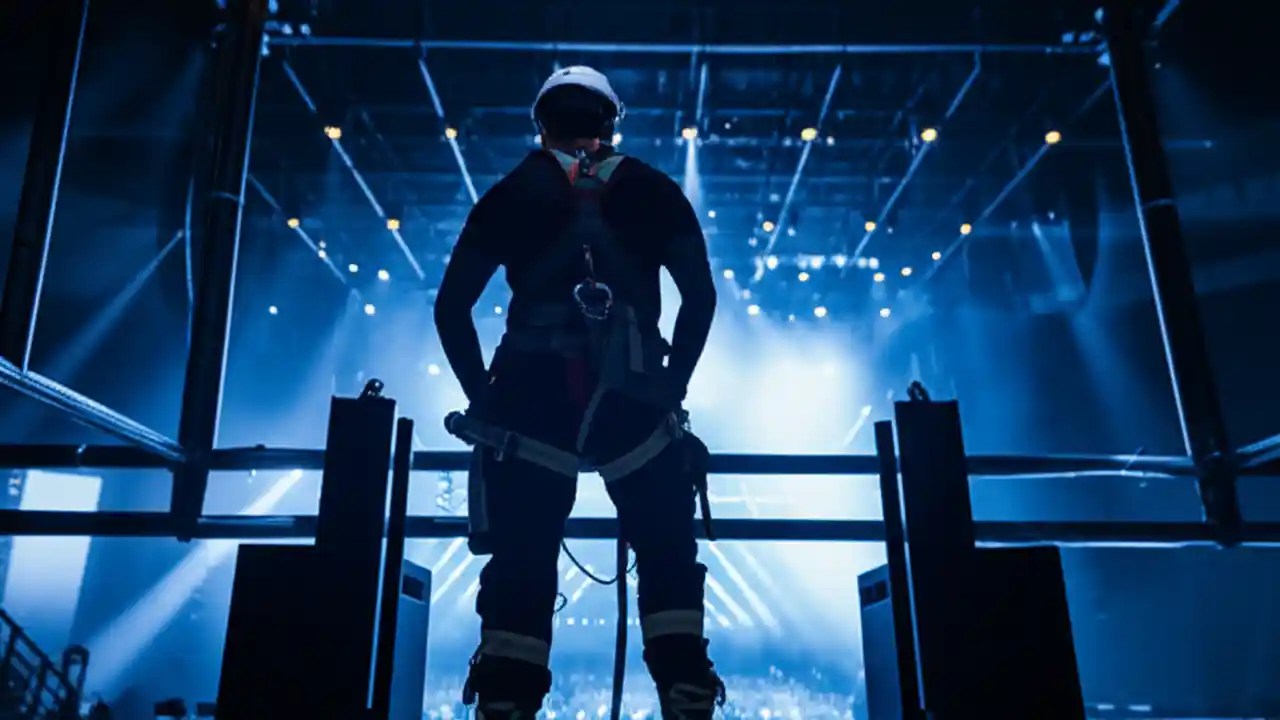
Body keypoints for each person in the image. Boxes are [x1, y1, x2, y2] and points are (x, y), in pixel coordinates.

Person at [434, 65, 722, 719]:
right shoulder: (652, 192)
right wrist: (669, 388)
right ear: (611, 122)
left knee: (523, 562)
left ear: (541, 125)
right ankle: (686, 691)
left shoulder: (510, 196)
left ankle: (506, 699)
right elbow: (700, 298)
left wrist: (484, 399)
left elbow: (451, 308)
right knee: (667, 553)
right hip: (635, 405)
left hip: (529, 408)